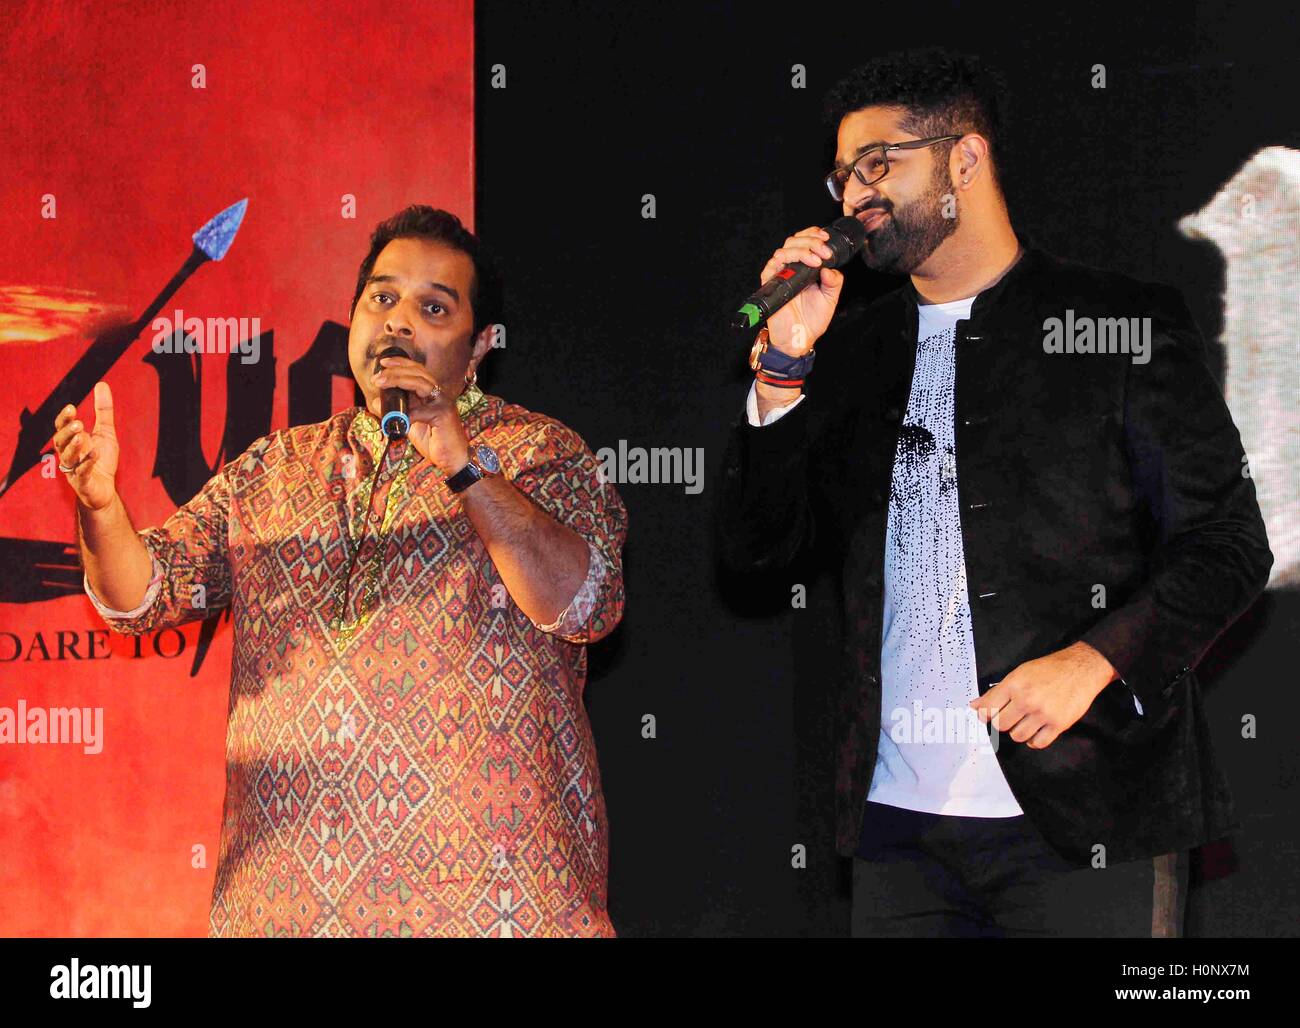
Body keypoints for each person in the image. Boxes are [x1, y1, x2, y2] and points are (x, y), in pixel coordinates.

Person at [717, 48, 1272, 937]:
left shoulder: (1116, 323)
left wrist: (1095, 660)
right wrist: (783, 370)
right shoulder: (849, 355)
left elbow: (1230, 545)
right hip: (899, 833)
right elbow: (755, 557)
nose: (856, 195)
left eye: (879, 164)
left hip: (1086, 822)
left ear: (963, 162)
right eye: (843, 176)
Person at [57, 206, 627, 937]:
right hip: (286, 913)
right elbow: (144, 597)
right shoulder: (271, 469)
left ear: (481, 344)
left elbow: (585, 604)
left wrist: (460, 462)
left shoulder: (538, 453)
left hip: (494, 912)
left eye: (433, 307)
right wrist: (102, 510)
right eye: (381, 299)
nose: (398, 323)